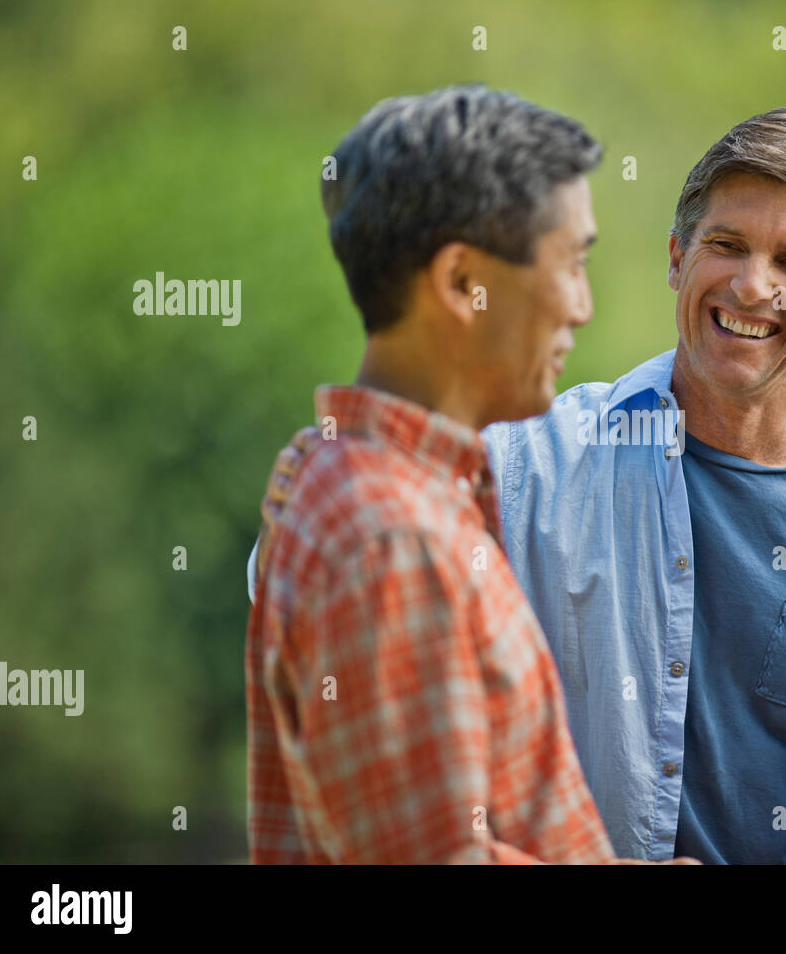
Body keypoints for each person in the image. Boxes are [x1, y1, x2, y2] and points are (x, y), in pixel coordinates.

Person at [253, 105, 786, 864]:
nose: (751, 286)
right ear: (677, 257)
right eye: (727, 245)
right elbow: (319, 576)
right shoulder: (525, 461)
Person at [246, 86, 619, 863]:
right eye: (573, 264)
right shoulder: (393, 539)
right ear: (460, 283)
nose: (583, 308)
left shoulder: (368, 486)